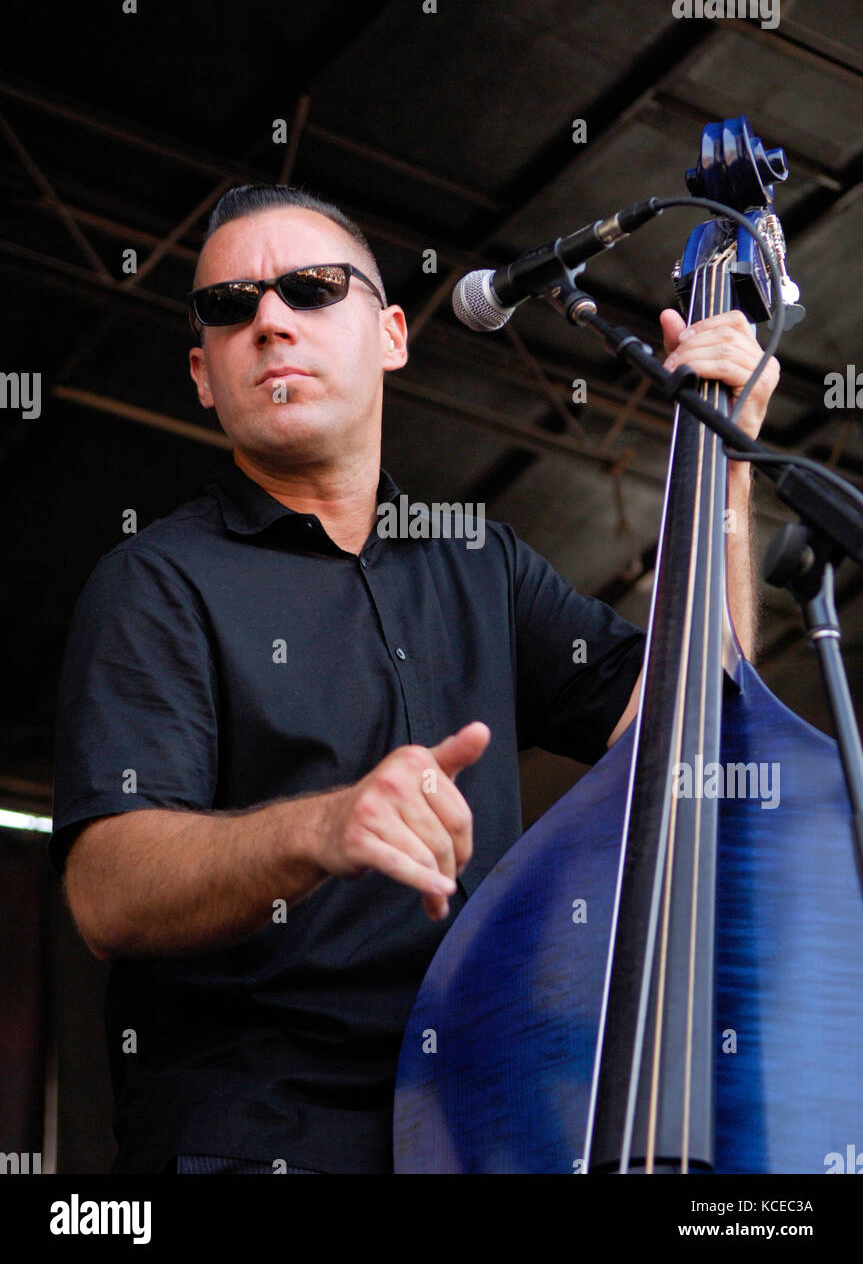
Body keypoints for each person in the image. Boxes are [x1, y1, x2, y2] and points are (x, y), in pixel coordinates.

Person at [50, 184, 778, 1174]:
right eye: (230, 306)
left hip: (489, 1125)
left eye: (310, 289)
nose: (269, 321)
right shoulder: (154, 581)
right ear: (201, 375)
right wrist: (320, 826)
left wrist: (723, 461)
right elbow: (106, 892)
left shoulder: (481, 560)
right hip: (264, 1137)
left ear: (392, 334)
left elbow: (700, 721)